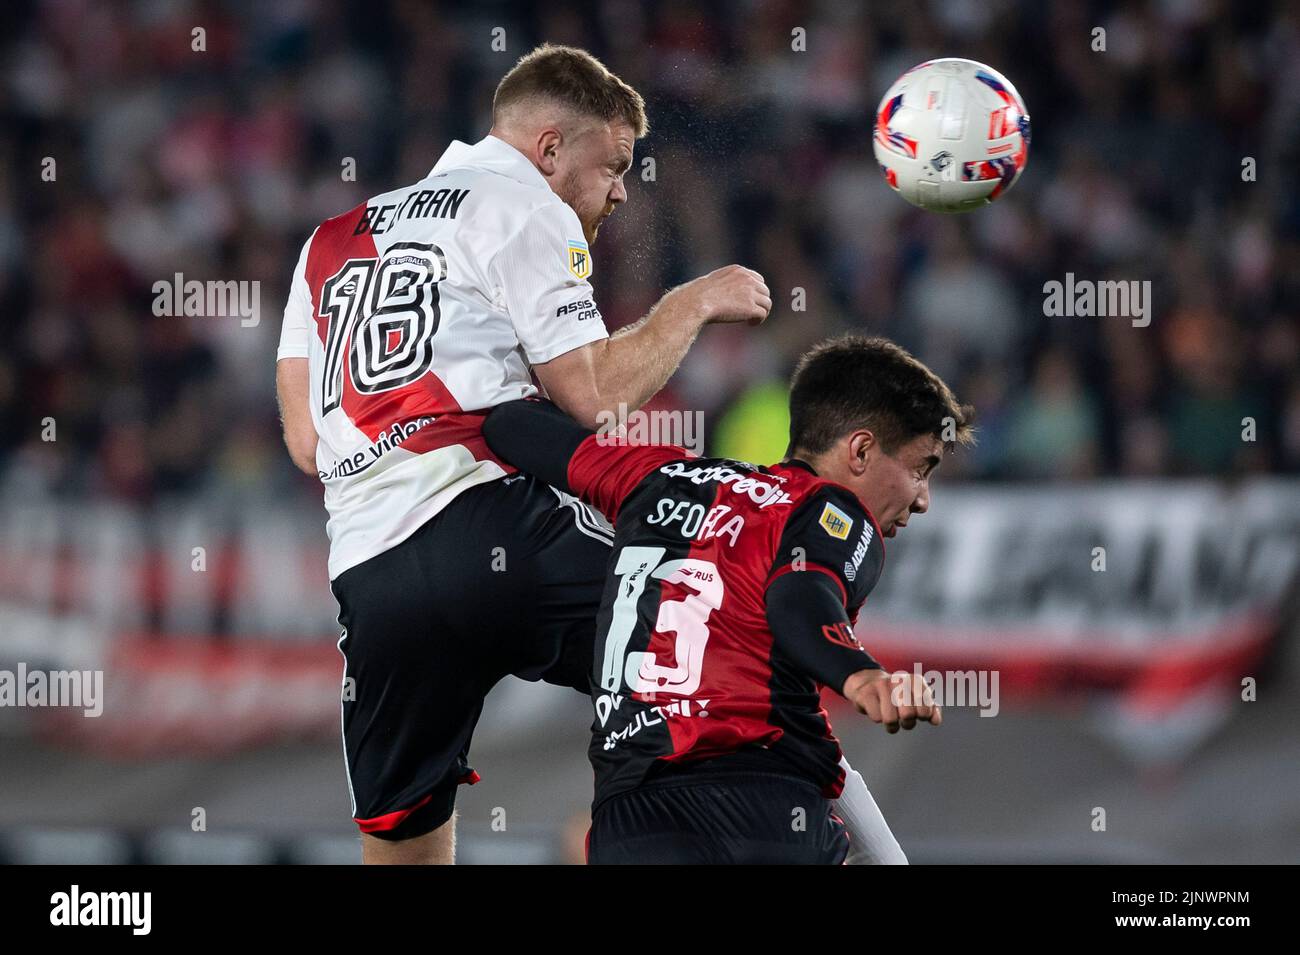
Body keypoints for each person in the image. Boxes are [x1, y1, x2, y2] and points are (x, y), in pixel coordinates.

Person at [274, 43, 771, 863]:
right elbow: (593, 396)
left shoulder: (327, 241)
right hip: (492, 523)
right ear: (547, 149)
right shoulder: (522, 206)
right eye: (612, 166)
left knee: (405, 844)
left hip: (372, 571)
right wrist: (691, 303)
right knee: (714, 667)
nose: (618, 190)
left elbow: (303, 442)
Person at [483, 334, 974, 863]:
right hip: (759, 804)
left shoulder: (654, 476)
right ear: (859, 450)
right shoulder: (828, 511)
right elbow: (799, 600)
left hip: (630, 819)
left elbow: (510, 427)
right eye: (920, 469)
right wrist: (859, 672)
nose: (922, 499)